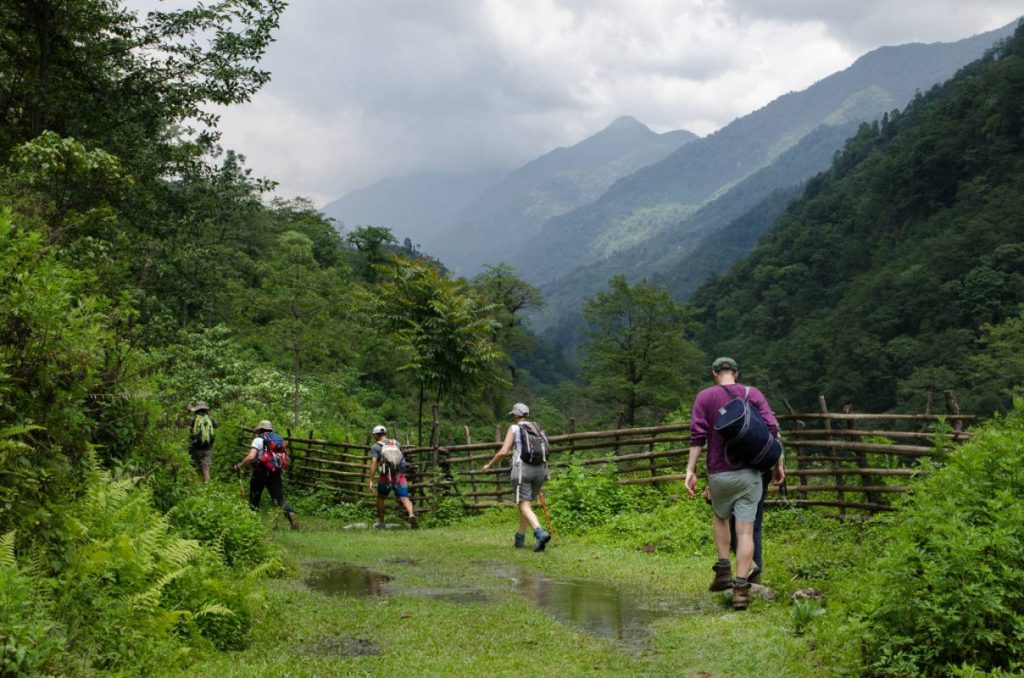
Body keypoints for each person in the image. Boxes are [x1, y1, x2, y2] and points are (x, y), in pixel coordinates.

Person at [685, 357, 784, 610]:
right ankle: (741, 590)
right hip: (750, 475)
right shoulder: (754, 393)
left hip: (719, 474)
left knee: (720, 518)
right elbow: (772, 430)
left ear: (714, 373)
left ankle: (723, 571)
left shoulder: (704, 397)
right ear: (736, 374)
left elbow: (697, 436)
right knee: (746, 531)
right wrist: (778, 463)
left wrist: (690, 470)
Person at [481, 403, 551, 552]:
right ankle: (520, 538)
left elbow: (503, 452)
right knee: (527, 505)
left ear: (515, 415)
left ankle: (540, 532)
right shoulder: (537, 427)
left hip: (523, 470)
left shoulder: (514, 428)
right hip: (540, 470)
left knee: (523, 505)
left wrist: (489, 465)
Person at [234, 420, 298, 530]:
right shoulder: (278, 439)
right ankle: (290, 512)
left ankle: (251, 524)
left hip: (260, 471)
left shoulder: (258, 440)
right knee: (279, 499)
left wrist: (239, 466)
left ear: (260, 430)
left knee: (255, 498)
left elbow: (251, 457)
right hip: (275, 472)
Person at [367, 425, 418, 529]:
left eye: (374, 435)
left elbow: (373, 463)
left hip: (385, 477)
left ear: (376, 435)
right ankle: (411, 514)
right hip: (399, 476)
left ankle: (382, 522)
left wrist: (371, 480)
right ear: (385, 433)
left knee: (381, 498)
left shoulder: (376, 447)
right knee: (404, 497)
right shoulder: (396, 443)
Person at [186, 401, 217, 484]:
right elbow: (216, 425)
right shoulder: (210, 418)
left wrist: (188, 413)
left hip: (195, 447)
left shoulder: (193, 419)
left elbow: (185, 425)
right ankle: (207, 487)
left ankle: (197, 487)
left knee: (195, 466)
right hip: (207, 447)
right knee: (206, 468)